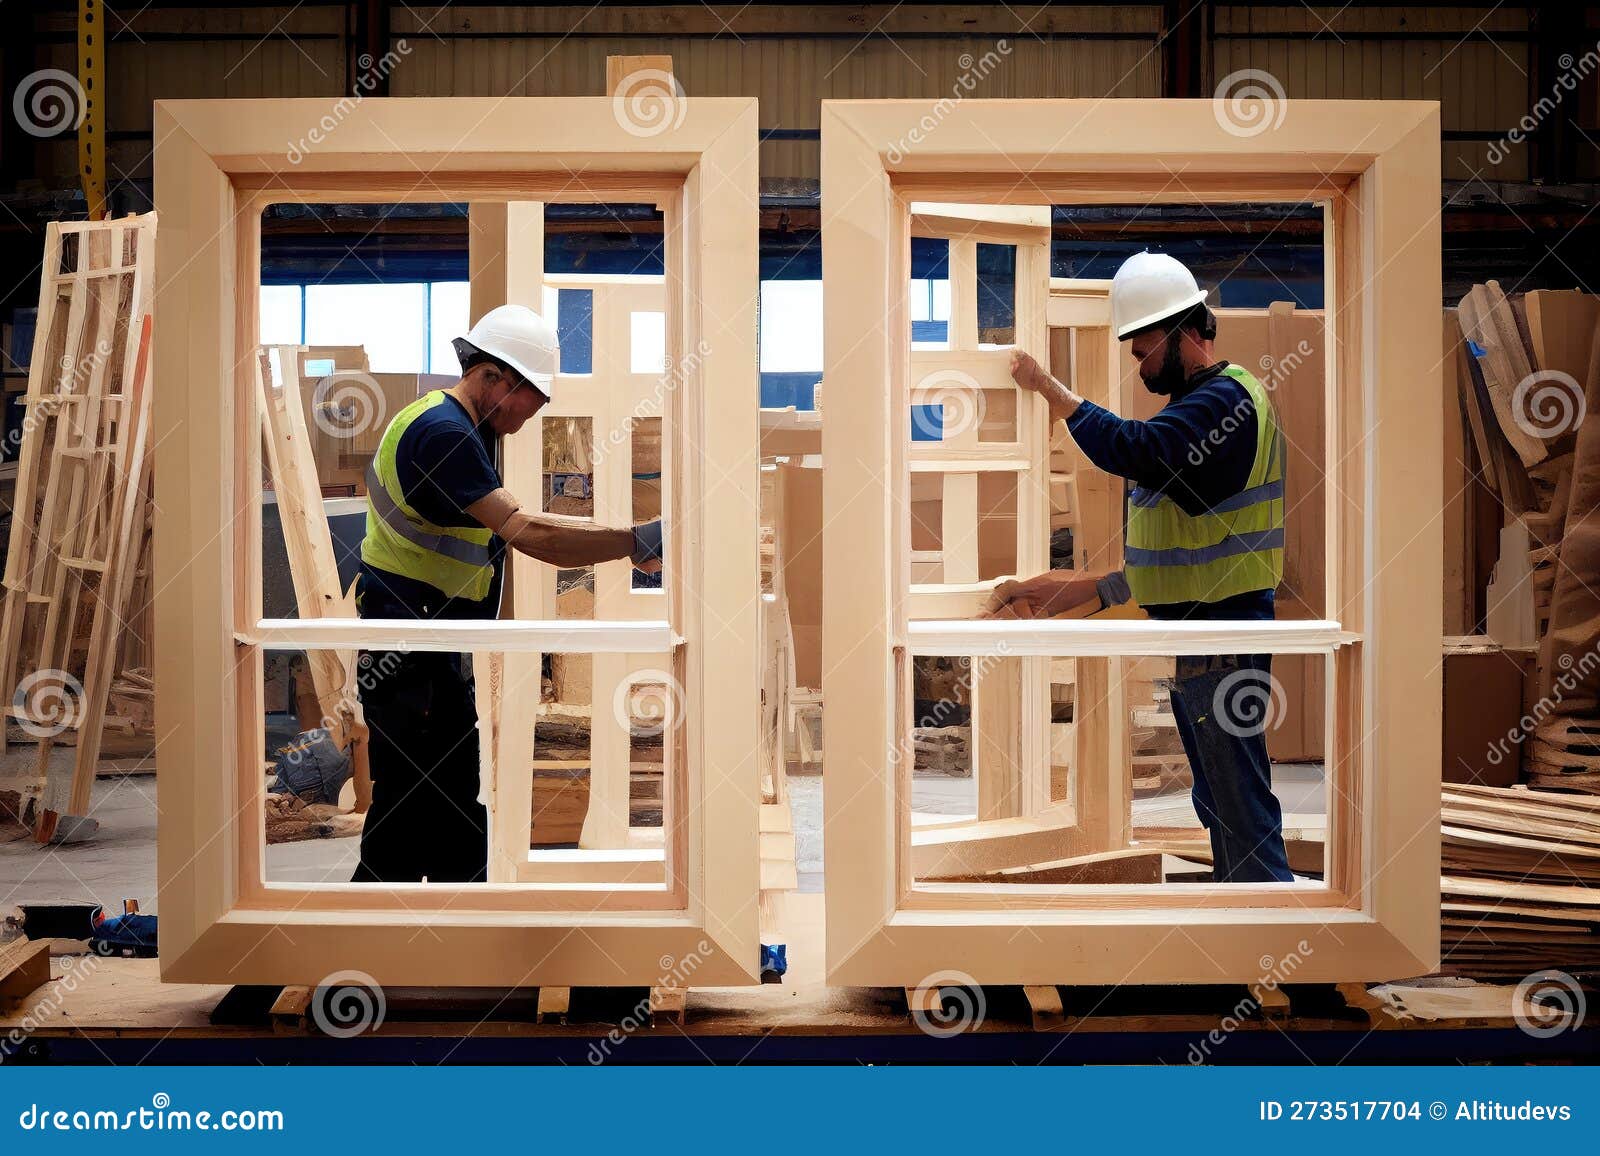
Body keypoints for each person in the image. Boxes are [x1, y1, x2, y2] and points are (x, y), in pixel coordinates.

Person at [987, 252, 1292, 883]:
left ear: (1185, 331)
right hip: (1203, 634)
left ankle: (1272, 926)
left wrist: (1052, 391)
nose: (1138, 361)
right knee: (1219, 797)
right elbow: (1182, 552)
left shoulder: (1225, 404)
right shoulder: (1197, 409)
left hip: (1225, 636)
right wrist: (1080, 590)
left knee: (1238, 796)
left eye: (1143, 347)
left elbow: (1139, 450)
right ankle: (1244, 911)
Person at [351, 304, 662, 883]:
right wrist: (633, 539)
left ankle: (457, 938)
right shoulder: (443, 435)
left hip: (431, 647)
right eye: (532, 396)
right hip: (408, 652)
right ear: (493, 376)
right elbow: (531, 534)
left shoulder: (465, 426)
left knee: (451, 815)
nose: (536, 410)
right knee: (406, 815)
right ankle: (347, 947)